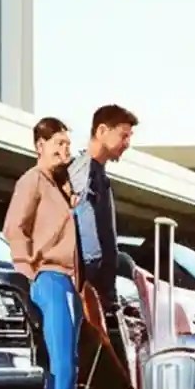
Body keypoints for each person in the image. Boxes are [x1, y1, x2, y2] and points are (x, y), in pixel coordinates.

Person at [3, 117, 81, 389]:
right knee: (60, 369)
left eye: (67, 145)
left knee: (70, 370)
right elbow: (13, 227)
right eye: (58, 144)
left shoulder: (62, 188)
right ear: (40, 146)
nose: (64, 151)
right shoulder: (32, 180)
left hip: (69, 284)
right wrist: (28, 272)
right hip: (48, 278)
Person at [68, 104, 138, 311]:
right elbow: (85, 233)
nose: (127, 143)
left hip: (99, 294)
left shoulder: (99, 175)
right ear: (101, 131)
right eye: (123, 136)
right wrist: (91, 280)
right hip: (87, 293)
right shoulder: (83, 171)